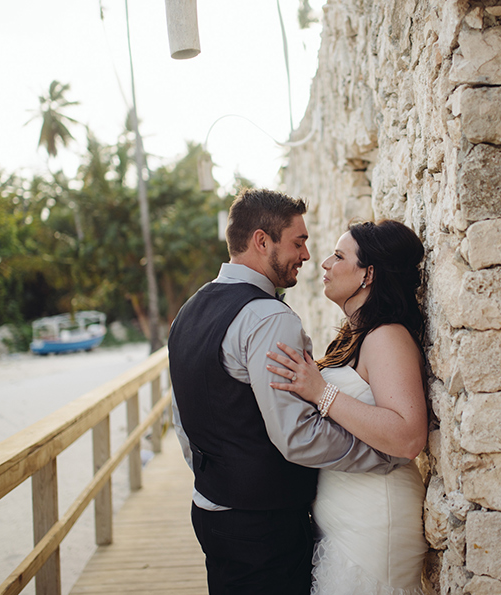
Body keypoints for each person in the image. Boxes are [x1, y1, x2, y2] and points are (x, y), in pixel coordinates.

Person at [167, 189, 404, 595]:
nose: (308, 256)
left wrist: (222, 480)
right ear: (262, 241)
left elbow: (182, 421)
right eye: (299, 242)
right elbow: (297, 437)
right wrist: (381, 455)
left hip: (209, 510)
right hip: (262, 525)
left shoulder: (189, 310)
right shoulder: (268, 318)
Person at [266, 219, 429, 595]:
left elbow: (408, 437)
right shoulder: (356, 334)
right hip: (344, 519)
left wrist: (321, 392)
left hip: (375, 519)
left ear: (368, 274)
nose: (324, 263)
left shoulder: (387, 336)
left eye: (339, 256)